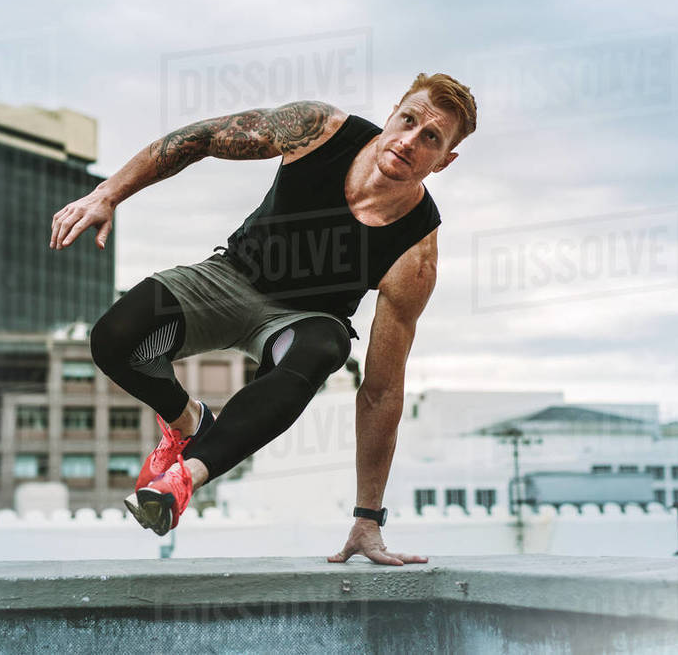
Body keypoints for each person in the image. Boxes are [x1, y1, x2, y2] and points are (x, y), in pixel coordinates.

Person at [49, 73, 476, 565]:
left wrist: (367, 518)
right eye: (408, 121)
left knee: (324, 350)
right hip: (230, 277)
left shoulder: (415, 250)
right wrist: (108, 194)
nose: (408, 141)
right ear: (392, 113)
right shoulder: (317, 129)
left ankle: (184, 480)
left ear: (445, 160)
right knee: (114, 338)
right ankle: (188, 420)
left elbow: (381, 390)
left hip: (304, 322)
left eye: (430, 139)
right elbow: (202, 138)